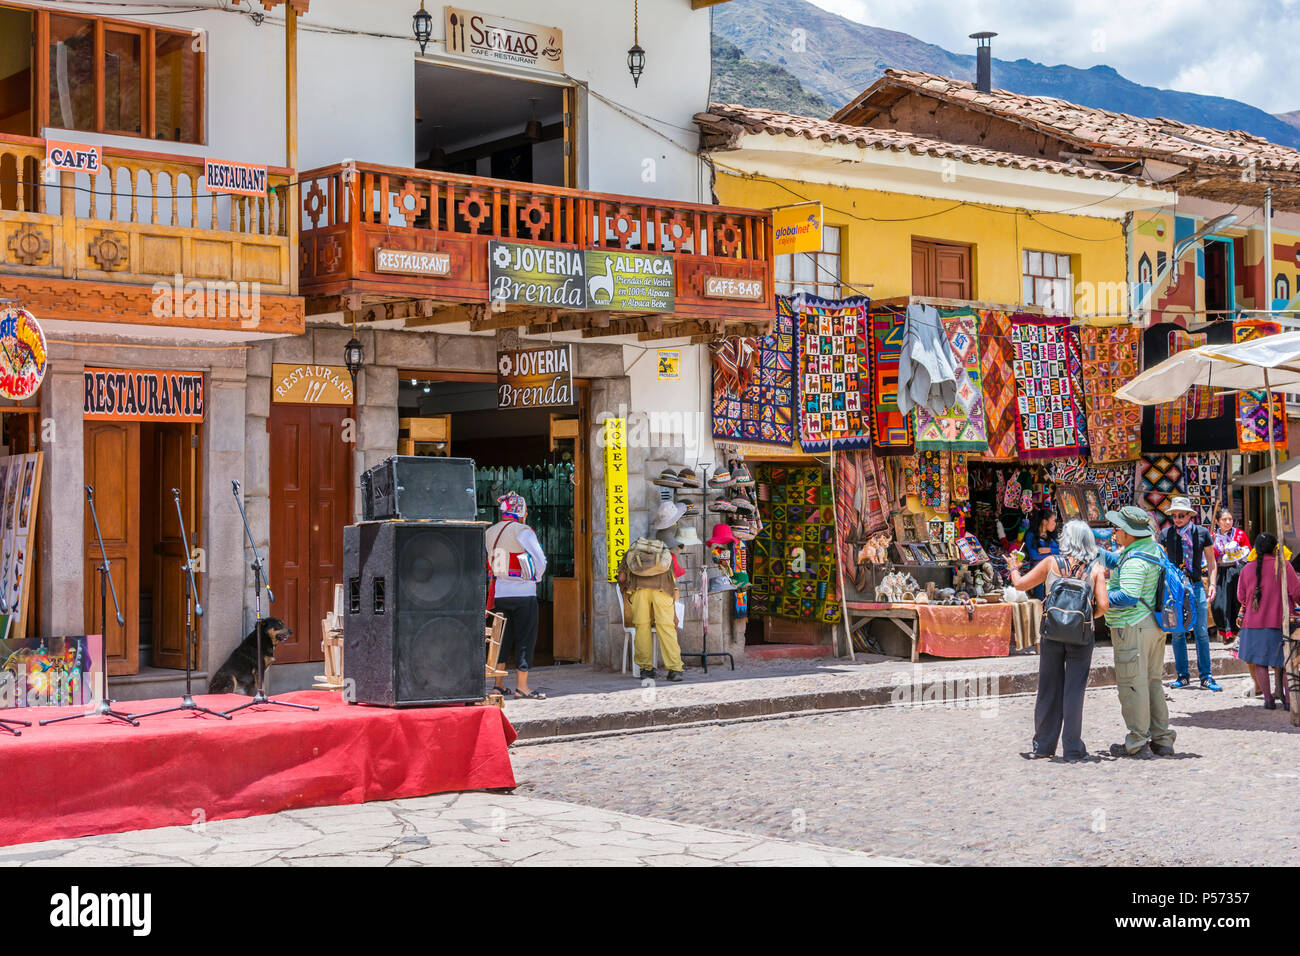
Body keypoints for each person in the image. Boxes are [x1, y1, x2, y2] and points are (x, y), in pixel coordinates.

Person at [1010, 520, 1109, 762]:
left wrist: (1014, 567)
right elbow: (1104, 605)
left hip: (1051, 635)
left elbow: (1020, 584)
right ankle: (1073, 749)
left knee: (1048, 689)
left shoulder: (1051, 563)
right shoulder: (1095, 570)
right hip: (1082, 637)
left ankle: (1043, 746)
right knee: (1075, 691)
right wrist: (1086, 619)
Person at [1098, 505, 1175, 759]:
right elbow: (1117, 560)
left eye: (1117, 528)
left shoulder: (1135, 560)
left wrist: (1100, 596)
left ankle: (1137, 742)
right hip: (1153, 626)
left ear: (1129, 533)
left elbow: (1128, 596)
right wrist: (1095, 553)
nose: (1114, 532)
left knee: (1133, 685)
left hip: (1132, 627)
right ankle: (1162, 739)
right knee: (1152, 682)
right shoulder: (1151, 549)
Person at [486, 492, 547, 700]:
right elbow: (540, 560)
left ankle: (498, 684)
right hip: (523, 592)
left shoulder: (490, 531)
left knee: (501, 639)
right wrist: (536, 578)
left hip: (501, 592)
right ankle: (523, 686)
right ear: (520, 510)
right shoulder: (523, 531)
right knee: (525, 639)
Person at [1158, 497, 1221, 691]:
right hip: (1175, 588)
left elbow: (1211, 562)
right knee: (1178, 633)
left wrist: (1212, 584)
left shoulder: (1202, 533)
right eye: (1174, 515)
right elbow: (1161, 561)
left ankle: (1206, 676)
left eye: (1181, 515)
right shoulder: (1165, 534)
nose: (1176, 518)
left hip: (1195, 585)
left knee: (1201, 631)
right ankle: (1183, 676)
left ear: (1190, 515)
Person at [1236, 533, 1297, 711]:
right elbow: (1296, 592)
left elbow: (1241, 597)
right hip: (1281, 622)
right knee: (1285, 663)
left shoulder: (1247, 569)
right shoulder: (1284, 566)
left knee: (1260, 663)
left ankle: (1268, 700)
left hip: (1253, 624)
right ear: (1275, 548)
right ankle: (1287, 701)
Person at [617, 536, 686, 682]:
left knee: (642, 627)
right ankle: (675, 669)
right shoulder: (665, 553)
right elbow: (673, 581)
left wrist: (625, 588)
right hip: (663, 590)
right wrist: (674, 611)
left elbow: (622, 577)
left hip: (639, 590)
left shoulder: (631, 551)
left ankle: (646, 670)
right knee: (666, 628)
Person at [1211, 506, 1251, 646]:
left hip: (1237, 572)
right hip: (1221, 573)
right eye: (1224, 519)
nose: (1228, 522)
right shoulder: (1212, 537)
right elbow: (1210, 558)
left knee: (1237, 602)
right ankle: (1226, 631)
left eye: (1230, 519)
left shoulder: (1240, 534)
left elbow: (1248, 553)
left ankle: (1238, 633)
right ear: (1217, 521)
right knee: (1220, 605)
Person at [1021, 508, 1059, 599]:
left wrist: (1049, 550)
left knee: (1053, 600)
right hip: (1038, 574)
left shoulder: (1053, 536)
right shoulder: (1031, 535)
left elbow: (1061, 552)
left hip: (1053, 574)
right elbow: (1034, 555)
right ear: (1045, 522)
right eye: (1053, 521)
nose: (1055, 524)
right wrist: (1052, 555)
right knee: (1040, 601)